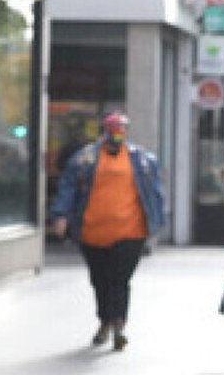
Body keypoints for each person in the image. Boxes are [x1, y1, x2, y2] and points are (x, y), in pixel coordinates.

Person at [49, 112, 166, 351]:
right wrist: (61, 215)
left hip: (131, 231)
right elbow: (68, 188)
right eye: (113, 129)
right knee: (100, 280)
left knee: (120, 278)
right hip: (92, 233)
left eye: (121, 129)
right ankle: (105, 320)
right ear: (103, 131)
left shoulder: (143, 160)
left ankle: (119, 324)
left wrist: (157, 219)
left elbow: (155, 192)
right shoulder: (84, 160)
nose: (117, 134)